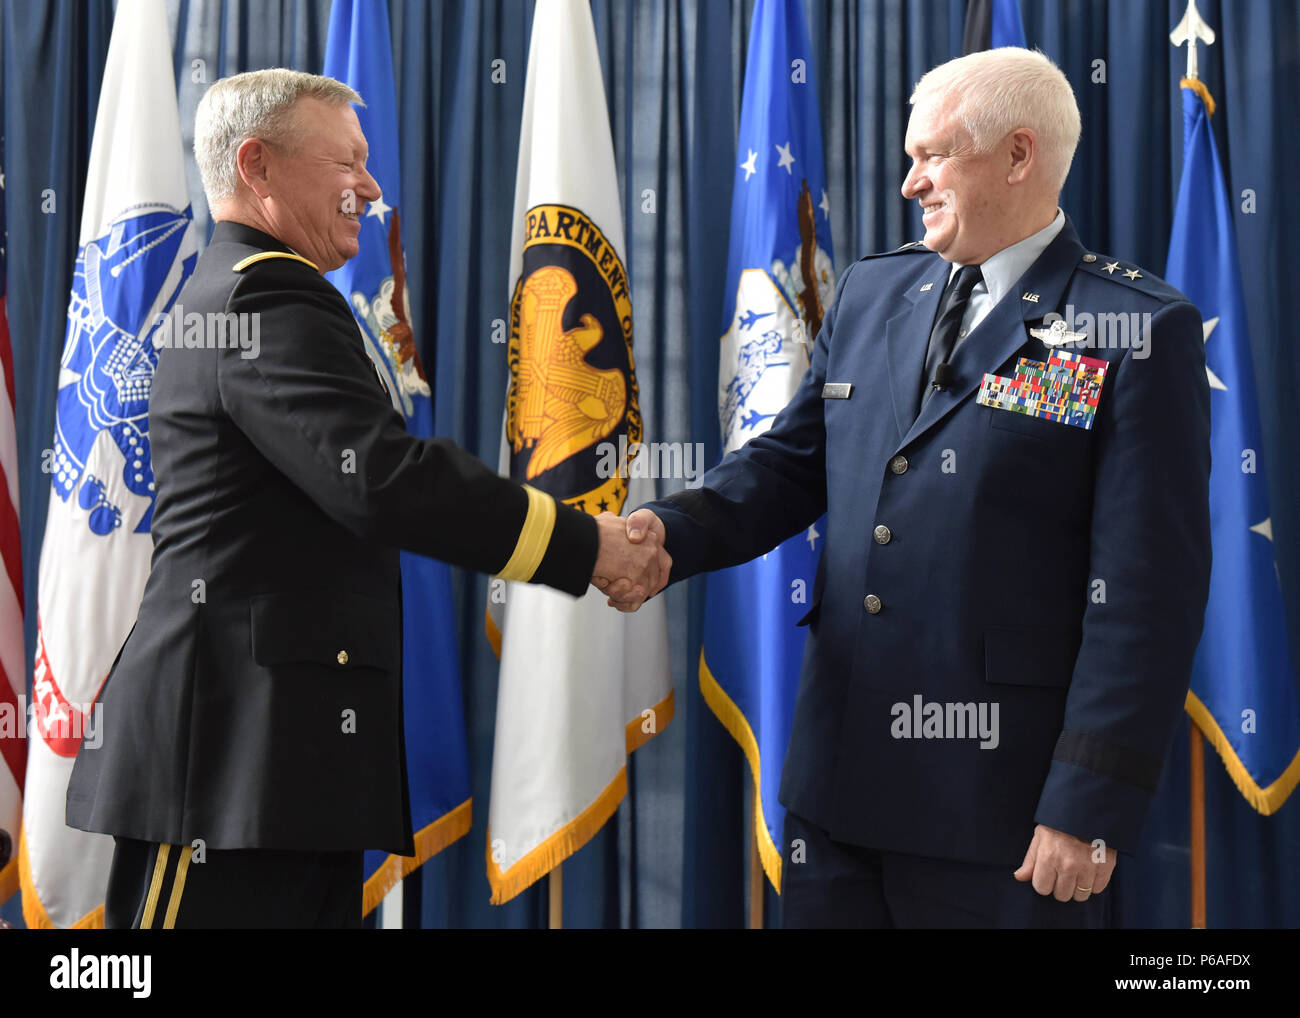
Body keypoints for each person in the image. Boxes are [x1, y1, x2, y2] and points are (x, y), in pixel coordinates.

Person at [606, 48, 1211, 928]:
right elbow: (789, 464)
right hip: (838, 792)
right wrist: (667, 532)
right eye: (908, 156)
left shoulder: (1130, 329)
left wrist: (1086, 805)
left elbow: (1147, 600)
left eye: (932, 156)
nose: (909, 182)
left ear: (1017, 155)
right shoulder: (873, 289)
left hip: (1002, 815)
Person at [65, 69, 668, 929]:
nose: (372, 186)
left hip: (276, 774)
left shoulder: (259, 291)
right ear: (258, 166)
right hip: (223, 776)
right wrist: (586, 545)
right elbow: (382, 481)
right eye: (347, 160)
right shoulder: (263, 294)